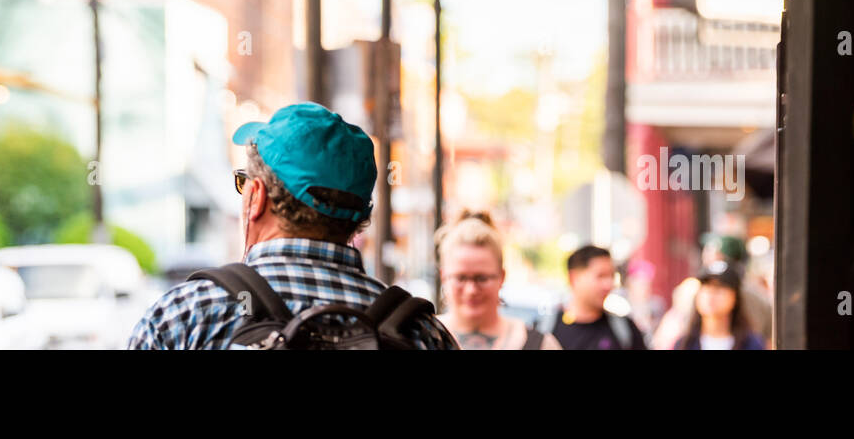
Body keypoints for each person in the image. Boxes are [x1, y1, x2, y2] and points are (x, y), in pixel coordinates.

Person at [128, 102, 458, 349]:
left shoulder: (184, 318)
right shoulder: (423, 332)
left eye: (244, 183)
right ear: (361, 215)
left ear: (256, 197)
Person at [435, 211, 561, 350]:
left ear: (502, 277)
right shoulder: (420, 338)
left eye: (482, 278)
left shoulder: (541, 344)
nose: (471, 290)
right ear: (443, 276)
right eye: (461, 278)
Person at [540, 245, 649, 350]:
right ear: (574, 278)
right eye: (601, 276)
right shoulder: (545, 329)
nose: (609, 284)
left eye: (611, 276)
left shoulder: (624, 329)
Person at [673, 260, 765, 350]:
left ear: (735, 297)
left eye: (719, 288)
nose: (711, 295)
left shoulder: (751, 344)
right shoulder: (684, 344)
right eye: (706, 288)